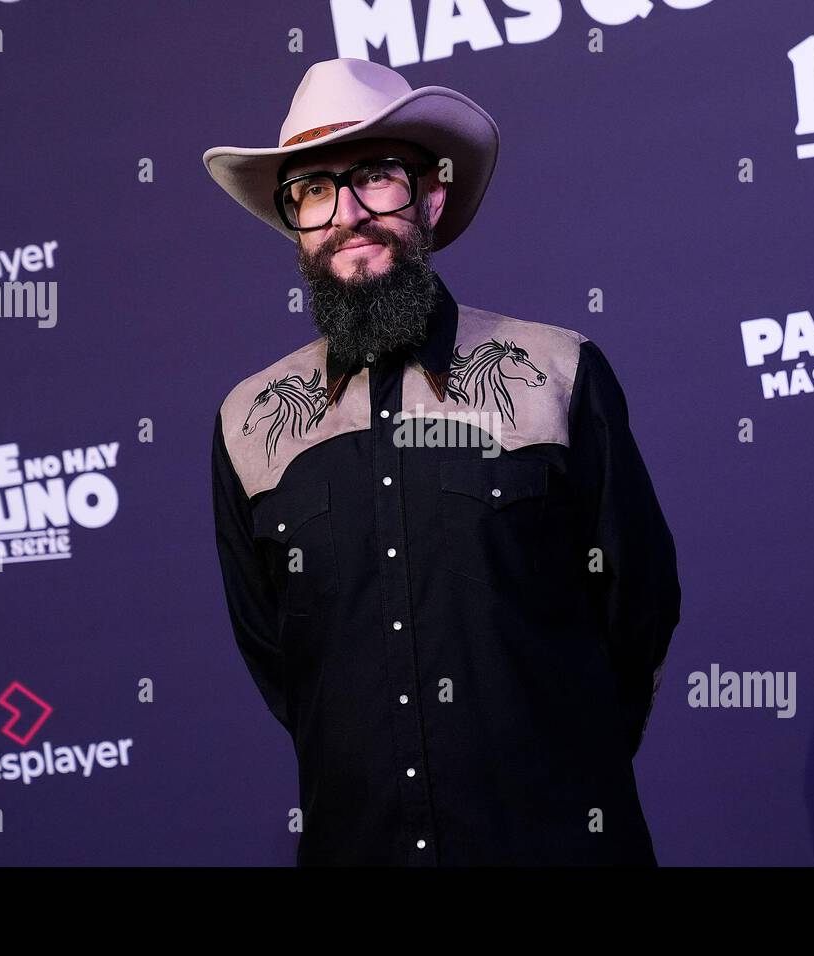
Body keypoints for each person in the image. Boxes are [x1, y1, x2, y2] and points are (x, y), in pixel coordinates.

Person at [203, 57, 681, 866]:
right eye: (315, 190)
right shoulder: (249, 422)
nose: (347, 213)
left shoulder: (557, 368)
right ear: (297, 226)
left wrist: (556, 764)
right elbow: (280, 659)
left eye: (376, 177)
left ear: (429, 196)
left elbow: (637, 610)